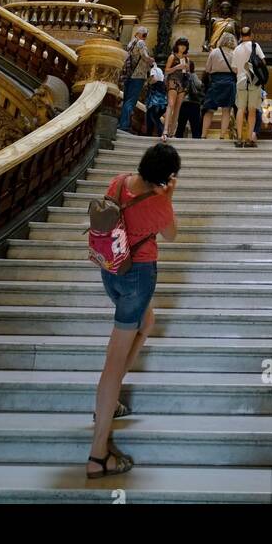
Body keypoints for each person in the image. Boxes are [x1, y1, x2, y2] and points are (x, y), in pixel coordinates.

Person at [87, 140, 180, 478]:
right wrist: (167, 197)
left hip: (110, 270)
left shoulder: (118, 181)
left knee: (148, 321)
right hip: (137, 276)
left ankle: (109, 403)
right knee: (113, 362)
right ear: (167, 177)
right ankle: (98, 455)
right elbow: (170, 235)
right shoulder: (158, 204)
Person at [231, 25, 266, 148]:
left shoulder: (236, 49)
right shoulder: (255, 46)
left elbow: (234, 69)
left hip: (241, 80)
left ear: (240, 35)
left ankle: (240, 138)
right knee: (252, 111)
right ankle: (250, 138)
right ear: (251, 35)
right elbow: (263, 62)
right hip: (254, 82)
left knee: (240, 109)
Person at [201, 31, 238, 139]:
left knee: (209, 110)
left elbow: (207, 69)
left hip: (215, 83)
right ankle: (222, 135)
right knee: (226, 110)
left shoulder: (215, 52)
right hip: (230, 83)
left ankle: (203, 135)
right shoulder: (235, 53)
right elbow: (237, 70)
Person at [117, 26, 154, 133]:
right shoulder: (141, 43)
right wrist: (151, 60)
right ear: (139, 34)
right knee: (131, 101)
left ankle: (122, 123)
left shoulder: (130, 43)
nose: (145, 37)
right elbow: (145, 56)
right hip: (138, 76)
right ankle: (124, 125)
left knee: (126, 100)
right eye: (145, 35)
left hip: (129, 74)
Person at [161, 37, 190, 140]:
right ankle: (165, 130)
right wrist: (176, 67)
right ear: (177, 45)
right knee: (171, 104)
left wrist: (187, 69)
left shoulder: (187, 58)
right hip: (173, 80)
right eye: (181, 45)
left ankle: (172, 132)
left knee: (177, 108)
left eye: (184, 45)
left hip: (182, 82)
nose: (182, 47)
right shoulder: (172, 56)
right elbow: (167, 70)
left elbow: (188, 73)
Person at [177, 60, 204, 139]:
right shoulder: (193, 75)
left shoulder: (185, 75)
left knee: (181, 126)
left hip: (185, 103)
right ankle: (196, 143)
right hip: (193, 103)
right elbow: (199, 85)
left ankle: (178, 142)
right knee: (195, 127)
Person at [144, 64, 167, 137]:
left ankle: (160, 132)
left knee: (152, 115)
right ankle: (149, 133)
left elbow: (154, 79)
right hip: (162, 101)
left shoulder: (153, 70)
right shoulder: (160, 70)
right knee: (152, 116)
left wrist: (148, 82)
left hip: (155, 100)